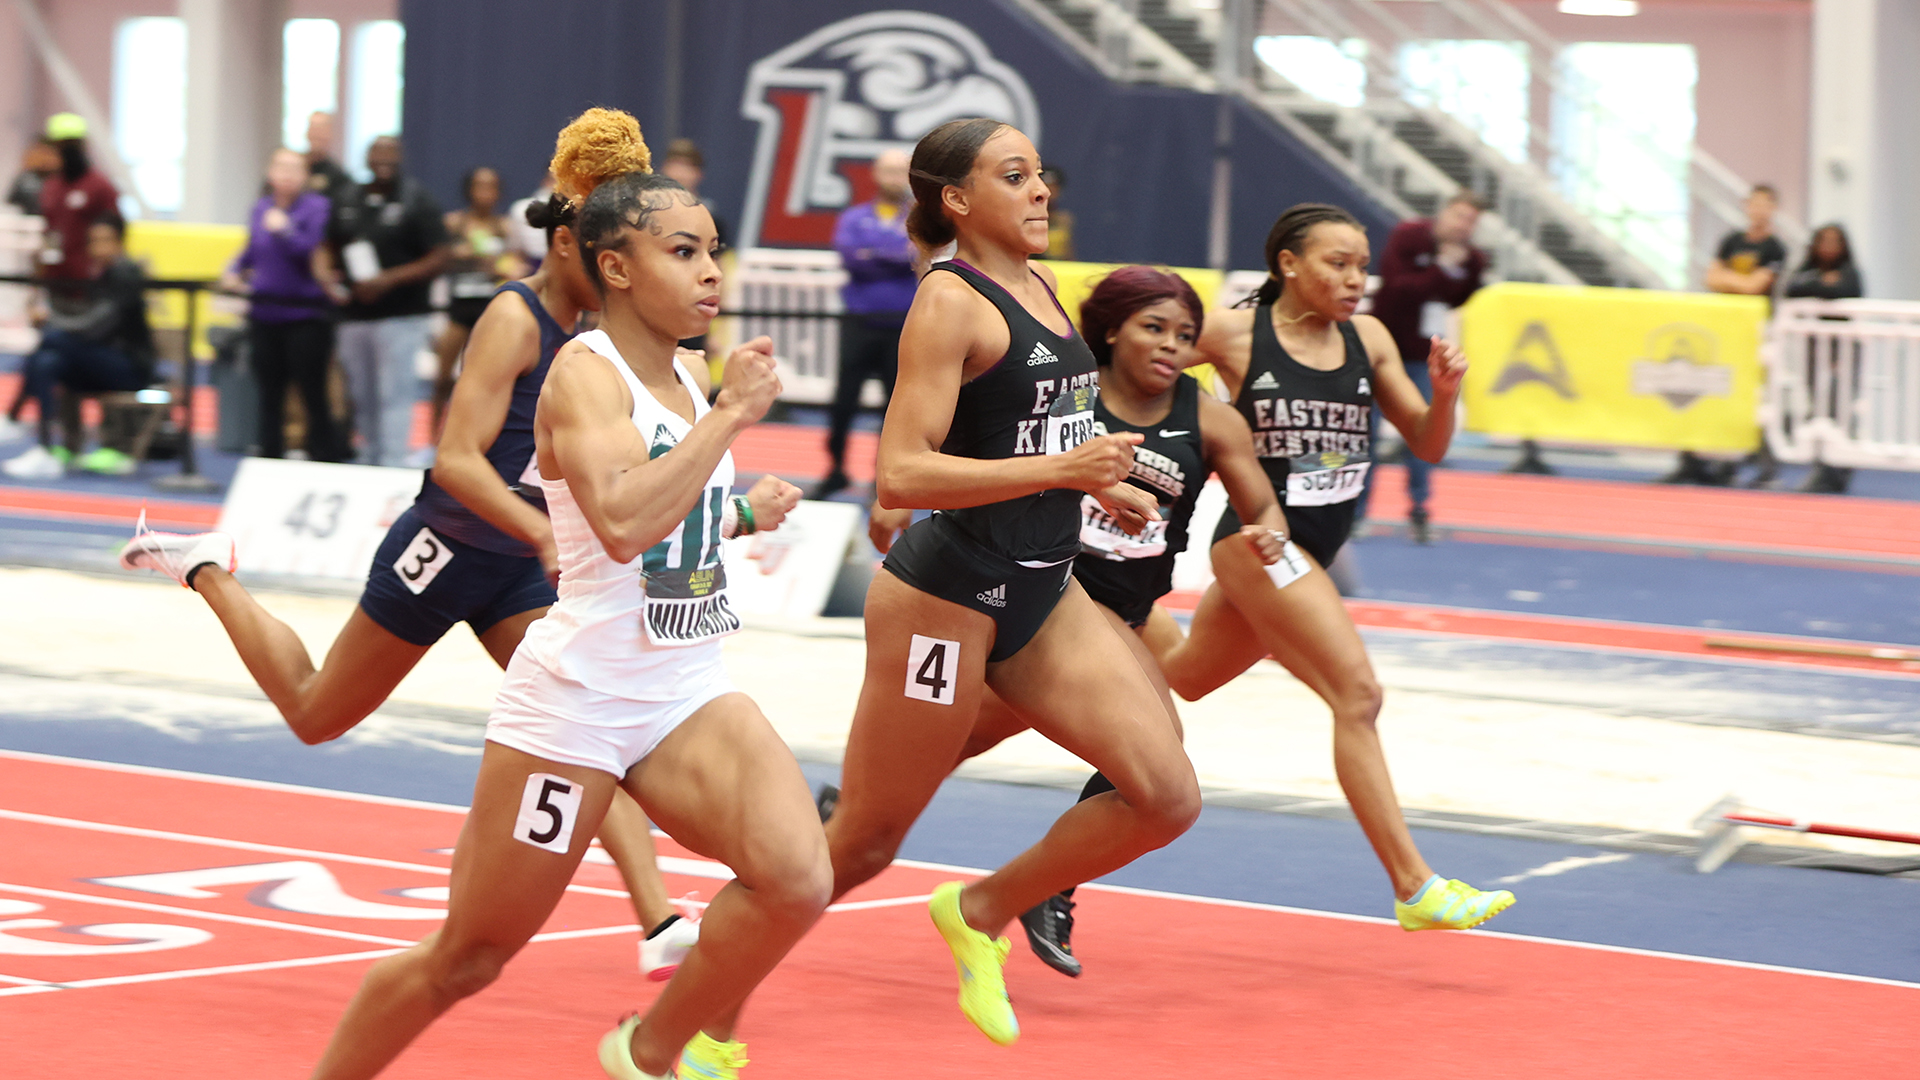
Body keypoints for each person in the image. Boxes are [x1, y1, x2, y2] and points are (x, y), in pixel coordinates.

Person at [115, 112, 698, 1000]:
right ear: (574, 245)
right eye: (616, 250)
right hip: (447, 545)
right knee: (317, 714)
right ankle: (205, 566)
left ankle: (658, 922)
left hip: (516, 573)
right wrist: (542, 528)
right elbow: (456, 460)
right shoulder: (516, 317)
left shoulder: (612, 341)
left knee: (589, 738)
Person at [311, 121, 822, 1080]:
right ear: (616, 268)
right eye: (685, 252)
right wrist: (729, 422)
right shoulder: (584, 376)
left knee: (798, 880)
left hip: (682, 687)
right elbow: (622, 522)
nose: (712, 270)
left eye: (714, 250)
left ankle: (650, 1049)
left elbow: (673, 523)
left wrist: (739, 514)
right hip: (577, 704)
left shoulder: (688, 367)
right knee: (468, 958)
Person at [730, 117, 1200, 1050]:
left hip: (1043, 586)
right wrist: (1064, 473)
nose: (1040, 190)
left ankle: (981, 911)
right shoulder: (948, 301)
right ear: (957, 200)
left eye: (1040, 173)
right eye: (1014, 175)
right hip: (943, 603)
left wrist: (1099, 476)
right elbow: (901, 473)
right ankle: (696, 1020)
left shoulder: (1042, 282)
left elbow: (1032, 436)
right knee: (860, 844)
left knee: (1166, 797)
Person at [871, 265, 1289, 978]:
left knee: (970, 740)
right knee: (1147, 748)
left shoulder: (1208, 418)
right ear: (1113, 329)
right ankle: (1010, 879)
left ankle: (1003, 873)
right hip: (1053, 597)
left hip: (1127, 610)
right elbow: (978, 448)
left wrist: (1268, 535)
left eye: (1186, 336)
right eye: (1154, 328)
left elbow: (1262, 503)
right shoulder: (1073, 391)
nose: (1171, 346)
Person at [1157, 204, 1511, 937]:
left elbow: (1427, 442)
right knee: (1358, 693)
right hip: (1259, 545)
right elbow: (1134, 368)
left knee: (1186, 675)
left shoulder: (1369, 338)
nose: (1356, 279)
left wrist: (1444, 396)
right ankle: (1415, 885)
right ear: (1289, 264)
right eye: (1337, 263)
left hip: (1315, 549)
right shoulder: (1232, 331)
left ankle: (1115, 615)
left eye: (1362, 265)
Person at [1358, 190, 1484, 541]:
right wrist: (1441, 269)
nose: (1463, 225)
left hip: (1422, 359)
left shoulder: (1471, 259)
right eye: (1459, 216)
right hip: (1380, 352)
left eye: (1471, 221)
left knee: (1426, 434)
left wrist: (1454, 269)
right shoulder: (1409, 237)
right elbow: (1398, 288)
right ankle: (1355, 512)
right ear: (1443, 213)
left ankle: (1419, 510)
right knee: (1362, 435)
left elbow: (1459, 297)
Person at [331, 135, 450, 467]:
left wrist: (389, 280)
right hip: (354, 316)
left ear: (400, 159)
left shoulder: (416, 199)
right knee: (361, 396)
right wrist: (326, 276)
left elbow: (441, 255)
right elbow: (327, 246)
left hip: (402, 315)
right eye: (377, 154)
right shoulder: (347, 198)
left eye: (390, 155)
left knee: (395, 393)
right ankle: (369, 456)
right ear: (366, 159)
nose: (383, 161)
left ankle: (393, 462)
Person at [4, 215, 153, 478]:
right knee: (46, 361)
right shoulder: (99, 275)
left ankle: (14, 417)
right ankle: (47, 446)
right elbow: (84, 321)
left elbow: (97, 326)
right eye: (94, 241)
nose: (99, 247)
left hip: (129, 366)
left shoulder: (126, 272)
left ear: (120, 241)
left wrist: (51, 320)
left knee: (52, 341)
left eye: (106, 240)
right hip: (95, 363)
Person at [221, 147, 341, 461]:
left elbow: (312, 253)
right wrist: (234, 270)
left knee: (312, 392)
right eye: (281, 167)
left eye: (294, 168)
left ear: (305, 176)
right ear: (270, 173)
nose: (286, 175)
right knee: (268, 393)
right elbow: (252, 250)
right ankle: (270, 454)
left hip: (305, 315)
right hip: (265, 313)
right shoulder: (260, 208)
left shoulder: (318, 208)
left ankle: (324, 455)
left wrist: (286, 229)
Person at [1669, 184, 1787, 486]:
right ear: (1747, 206)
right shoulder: (1731, 240)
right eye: (1754, 204)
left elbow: (1755, 287)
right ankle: (1705, 458)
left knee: (1754, 397)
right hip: (1724, 330)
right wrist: (1739, 281)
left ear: (1773, 209)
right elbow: (1711, 278)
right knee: (1713, 391)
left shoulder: (1775, 248)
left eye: (1765, 204)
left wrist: (1730, 280)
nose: (1758, 210)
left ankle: (1758, 463)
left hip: (1756, 332)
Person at [815, 147, 916, 499]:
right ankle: (836, 470)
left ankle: (883, 478)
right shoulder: (854, 218)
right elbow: (852, 259)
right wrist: (895, 256)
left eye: (900, 172)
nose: (894, 179)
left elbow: (917, 257)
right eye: (888, 171)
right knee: (844, 400)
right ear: (875, 174)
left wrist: (877, 254)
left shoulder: (917, 219)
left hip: (901, 325)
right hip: (859, 322)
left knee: (896, 407)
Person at [432, 166, 521, 432]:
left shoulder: (504, 227)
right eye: (479, 186)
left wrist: (498, 265)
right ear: (469, 190)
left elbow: (515, 265)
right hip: (458, 309)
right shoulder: (454, 223)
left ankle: (477, 435)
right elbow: (438, 259)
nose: (485, 193)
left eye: (491, 187)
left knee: (486, 379)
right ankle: (432, 438)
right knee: (442, 376)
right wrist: (460, 254)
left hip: (490, 311)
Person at [1785, 223, 1865, 495]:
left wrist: (1820, 287)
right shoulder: (1807, 269)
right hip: (1814, 350)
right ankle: (1820, 466)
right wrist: (1822, 283)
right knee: (1816, 406)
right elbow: (1791, 287)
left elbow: (1847, 289)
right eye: (1824, 241)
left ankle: (1839, 468)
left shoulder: (1850, 271)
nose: (1829, 247)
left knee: (1840, 408)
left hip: (1841, 351)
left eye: (1835, 241)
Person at [35, 113, 119, 300]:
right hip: (55, 280)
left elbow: (115, 233)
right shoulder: (51, 187)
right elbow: (48, 231)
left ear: (82, 145)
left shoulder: (100, 186)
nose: (66, 151)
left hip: (90, 284)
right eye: (61, 145)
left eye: (71, 144)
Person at [303, 110, 358, 210]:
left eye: (321, 129)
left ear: (330, 134)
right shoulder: (294, 167)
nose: (316, 134)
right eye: (313, 128)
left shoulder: (339, 176)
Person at [5, 137, 57, 218]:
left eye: (48, 154)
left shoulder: (60, 180)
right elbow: (11, 204)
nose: (44, 159)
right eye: (41, 153)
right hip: (27, 223)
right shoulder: (24, 179)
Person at [1037, 165, 1074, 260]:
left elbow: (1068, 253)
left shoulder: (1063, 219)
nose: (1049, 192)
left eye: (1053, 187)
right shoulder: (1026, 218)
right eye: (1046, 186)